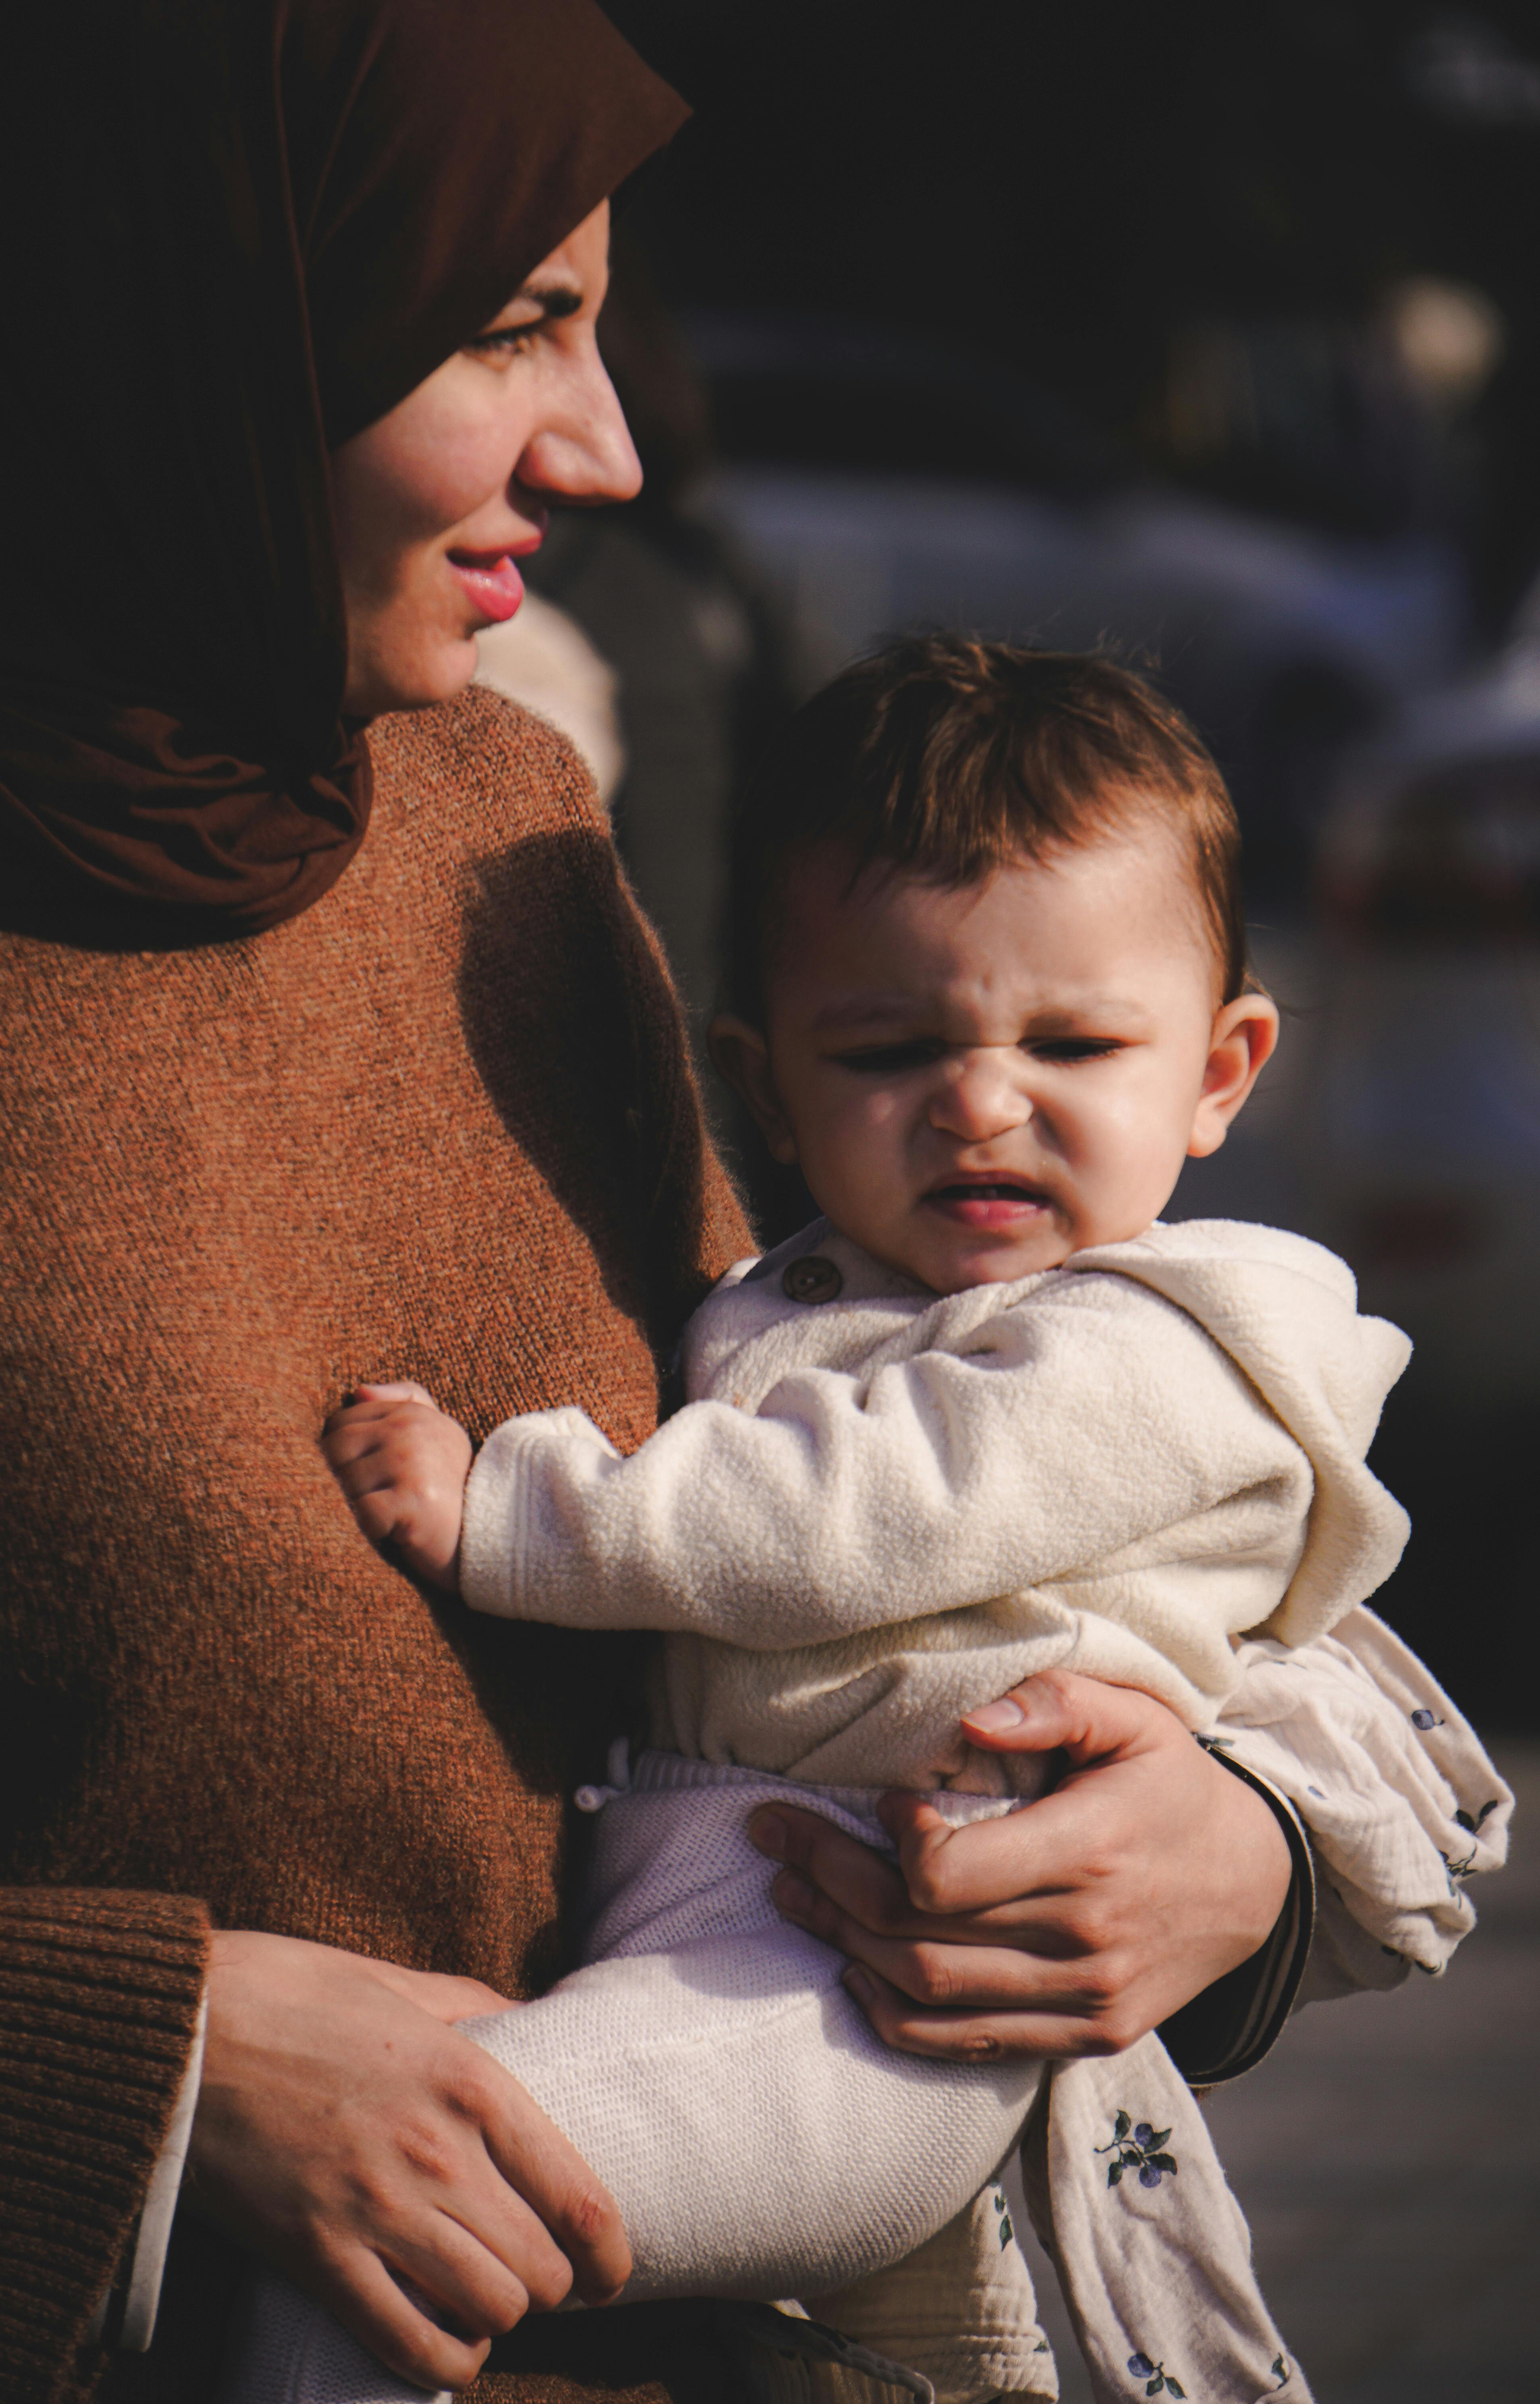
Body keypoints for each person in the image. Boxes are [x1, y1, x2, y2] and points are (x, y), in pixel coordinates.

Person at [0, 8, 1500, 2404]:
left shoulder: (489, 832)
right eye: (506, 325)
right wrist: (161, 2054)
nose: (612, 447)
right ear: (190, 308)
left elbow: (885, 1458)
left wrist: (1242, 1838)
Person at [267, 641, 1510, 2404]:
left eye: (1075, 1043)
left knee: (405, 2232)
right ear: (766, 1088)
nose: (981, 1100)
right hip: (731, 1938)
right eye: (890, 1047)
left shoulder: (1165, 1339)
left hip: (875, 1979)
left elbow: (859, 1513)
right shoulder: (820, 1293)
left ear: (1223, 1069)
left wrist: (516, 1508)